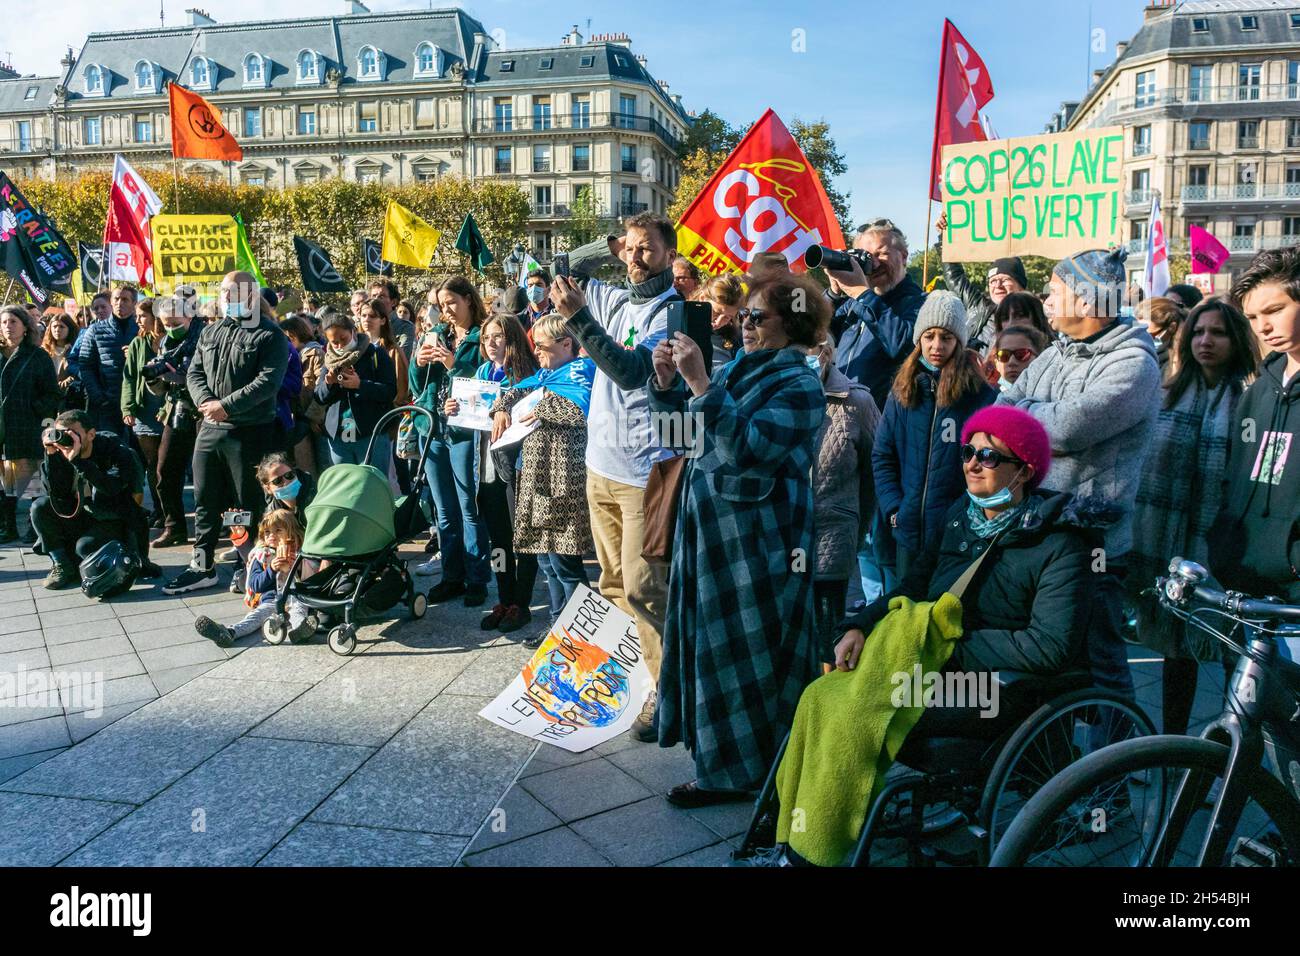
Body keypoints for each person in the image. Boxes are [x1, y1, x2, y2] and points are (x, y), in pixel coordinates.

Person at [762, 409, 1096, 867]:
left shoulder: (1061, 544)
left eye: (987, 456)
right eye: (967, 452)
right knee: (821, 694)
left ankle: (815, 850)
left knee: (859, 709)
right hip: (928, 658)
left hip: (998, 684)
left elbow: (1050, 646)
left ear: (1024, 471)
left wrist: (948, 641)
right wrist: (858, 625)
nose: (971, 464)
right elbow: (912, 585)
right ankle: (799, 824)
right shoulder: (961, 514)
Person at [648, 271, 826, 804]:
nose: (744, 325)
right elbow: (681, 437)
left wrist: (701, 386)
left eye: (757, 318)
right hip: (713, 539)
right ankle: (721, 766)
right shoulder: (742, 371)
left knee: (749, 656)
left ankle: (752, 773)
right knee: (711, 650)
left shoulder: (801, 384)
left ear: (791, 325)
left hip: (762, 548)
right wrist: (663, 386)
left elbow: (749, 447)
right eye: (743, 316)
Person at [998, 247, 1161, 701]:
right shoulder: (1057, 353)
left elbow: (1069, 428)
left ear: (1088, 303)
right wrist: (1029, 416)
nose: (1045, 301)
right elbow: (997, 415)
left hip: (1094, 546)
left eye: (1054, 292)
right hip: (1039, 532)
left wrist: (1023, 415)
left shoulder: (1133, 363)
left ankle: (1118, 768)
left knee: (1101, 664)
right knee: (1050, 669)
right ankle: (1061, 765)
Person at [548, 211, 683, 740]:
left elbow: (631, 372)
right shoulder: (612, 294)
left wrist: (581, 321)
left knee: (646, 589)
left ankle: (669, 697)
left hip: (646, 473)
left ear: (671, 256)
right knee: (611, 585)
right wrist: (610, 243)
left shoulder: (671, 312)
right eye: (627, 248)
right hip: (599, 465)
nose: (634, 257)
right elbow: (563, 267)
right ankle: (635, 676)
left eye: (647, 248)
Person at [1130, 299, 1258, 734]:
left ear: (1236, 340)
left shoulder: (1253, 399)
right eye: (1199, 331)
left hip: (1227, 547)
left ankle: (1230, 755)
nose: (1206, 340)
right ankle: (1172, 748)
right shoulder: (1165, 393)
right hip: (1168, 546)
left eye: (1218, 333)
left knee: (1231, 654)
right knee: (1174, 651)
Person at [164, 271, 289, 595]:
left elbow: (268, 382)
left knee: (242, 506)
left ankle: (244, 564)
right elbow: (195, 372)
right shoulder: (211, 331)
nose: (224, 297)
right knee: (205, 500)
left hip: (247, 432)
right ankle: (202, 565)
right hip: (209, 430)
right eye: (222, 292)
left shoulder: (270, 335)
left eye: (231, 292)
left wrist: (227, 406)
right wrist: (206, 401)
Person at [872, 291, 996, 583]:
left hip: (957, 537)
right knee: (904, 613)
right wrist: (894, 508)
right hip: (908, 532)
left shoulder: (980, 396)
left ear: (959, 341)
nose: (936, 346)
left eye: (946, 337)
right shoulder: (903, 391)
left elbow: (991, 466)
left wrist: (969, 517)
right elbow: (882, 454)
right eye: (929, 336)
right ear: (919, 340)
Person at [490, 314, 596, 648]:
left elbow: (581, 410)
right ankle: (558, 625)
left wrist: (543, 408)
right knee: (547, 560)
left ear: (567, 345)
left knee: (566, 563)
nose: (537, 352)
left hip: (563, 480)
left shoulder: (581, 372)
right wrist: (502, 409)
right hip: (536, 477)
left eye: (543, 347)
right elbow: (513, 392)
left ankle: (581, 632)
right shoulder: (546, 374)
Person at [1210, 247, 1300, 607]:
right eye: (1252, 316)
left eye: (1275, 310)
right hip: (1245, 583)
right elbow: (1238, 480)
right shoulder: (1259, 389)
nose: (1263, 326)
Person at [445, 311, 539, 634]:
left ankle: (521, 603)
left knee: (522, 539)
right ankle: (504, 597)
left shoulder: (527, 373)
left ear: (512, 338)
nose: (490, 342)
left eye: (497, 336)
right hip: (485, 466)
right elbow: (471, 413)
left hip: (517, 467)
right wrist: (453, 408)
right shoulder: (484, 371)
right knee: (498, 540)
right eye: (486, 337)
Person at [409, 276, 492, 606]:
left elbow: (486, 383)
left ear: (469, 300)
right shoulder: (436, 334)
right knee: (444, 512)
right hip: (432, 427)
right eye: (442, 306)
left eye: (452, 303)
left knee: (469, 508)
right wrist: (418, 361)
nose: (447, 311)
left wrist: (453, 364)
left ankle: (477, 579)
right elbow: (418, 385)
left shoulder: (481, 336)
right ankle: (451, 575)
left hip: (464, 431)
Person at [809, 334, 880, 651]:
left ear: (824, 352)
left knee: (828, 646)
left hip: (831, 551)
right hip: (779, 549)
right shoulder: (774, 395)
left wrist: (853, 528)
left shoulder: (857, 403)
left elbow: (873, 476)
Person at [30, 409, 145, 589]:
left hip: (112, 517)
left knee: (84, 547)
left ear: (91, 434)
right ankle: (62, 565)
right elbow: (56, 493)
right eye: (61, 434)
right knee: (39, 506)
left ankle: (88, 559)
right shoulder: (60, 452)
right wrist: (51, 455)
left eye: (73, 434)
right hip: (80, 515)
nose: (67, 440)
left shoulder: (114, 449)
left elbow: (112, 488)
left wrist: (78, 461)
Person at [827, 220, 926, 410]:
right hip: (842, 417)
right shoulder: (852, 303)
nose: (874, 263)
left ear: (904, 257)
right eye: (866, 256)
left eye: (882, 254)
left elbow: (901, 344)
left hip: (882, 419)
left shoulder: (921, 302)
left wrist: (862, 294)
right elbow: (812, 333)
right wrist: (834, 293)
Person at [194, 509, 311, 648]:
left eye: (278, 530)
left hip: (296, 598)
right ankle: (229, 632)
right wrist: (271, 570)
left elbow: (308, 579)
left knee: (299, 611)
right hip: (272, 600)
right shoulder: (261, 556)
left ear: (292, 533)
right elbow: (255, 585)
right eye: (267, 532)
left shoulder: (300, 554)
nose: (272, 535)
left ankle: (300, 631)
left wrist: (296, 568)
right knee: (255, 617)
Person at [146, 295, 203, 548]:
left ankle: (211, 528)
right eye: (166, 323)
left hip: (203, 412)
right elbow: (159, 390)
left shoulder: (206, 337)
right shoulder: (165, 344)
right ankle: (174, 527)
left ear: (189, 317)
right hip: (176, 410)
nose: (170, 328)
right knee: (165, 470)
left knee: (206, 475)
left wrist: (182, 379)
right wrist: (154, 378)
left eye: (175, 322)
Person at [0, 305, 58, 543]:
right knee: (4, 482)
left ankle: (34, 528)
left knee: (32, 480)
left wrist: (34, 409)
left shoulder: (37, 356)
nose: (7, 327)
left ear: (25, 326)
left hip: (27, 425)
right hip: (2, 429)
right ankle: (8, 526)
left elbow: (51, 394)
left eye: (13, 321)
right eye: (3, 322)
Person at [935, 211, 1028, 349]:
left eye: (1004, 279)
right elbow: (954, 276)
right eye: (992, 281)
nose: (997, 285)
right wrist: (946, 237)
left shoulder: (1035, 318)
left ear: (1021, 285)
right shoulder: (978, 306)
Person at [316, 312, 396, 467]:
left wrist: (360, 385)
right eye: (334, 342)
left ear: (352, 331)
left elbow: (390, 391)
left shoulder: (375, 353)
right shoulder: (329, 360)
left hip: (371, 433)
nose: (339, 346)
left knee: (372, 484)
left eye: (343, 339)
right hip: (339, 437)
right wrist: (329, 384)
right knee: (345, 486)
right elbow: (319, 397)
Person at [120, 299, 166, 529]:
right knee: (152, 464)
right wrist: (127, 408)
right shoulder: (137, 343)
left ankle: (171, 511)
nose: (138, 320)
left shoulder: (172, 340)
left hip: (169, 411)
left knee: (167, 466)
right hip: (145, 413)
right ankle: (159, 509)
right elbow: (129, 377)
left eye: (142, 315)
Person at [77, 284, 138, 434]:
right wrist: (98, 396)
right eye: (116, 299)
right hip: (107, 403)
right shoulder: (95, 330)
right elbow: (85, 366)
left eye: (125, 299)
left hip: (136, 402)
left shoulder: (141, 329)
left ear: (134, 303)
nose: (120, 303)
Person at [279, 316, 324, 475]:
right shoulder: (290, 356)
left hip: (316, 420)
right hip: (299, 419)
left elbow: (323, 389)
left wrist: (313, 417)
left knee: (323, 466)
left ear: (292, 335)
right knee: (305, 467)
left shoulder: (316, 353)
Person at [1135, 296, 1185, 380]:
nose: (1143, 338)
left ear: (1172, 328)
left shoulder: (1177, 363)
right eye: (1138, 332)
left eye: (1150, 334)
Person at [699, 273, 744, 364]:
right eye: (716, 312)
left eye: (728, 317)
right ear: (702, 298)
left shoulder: (737, 337)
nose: (718, 322)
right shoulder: (681, 324)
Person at [41, 313, 81, 412]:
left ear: (69, 328)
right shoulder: (43, 350)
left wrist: (63, 384)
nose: (57, 330)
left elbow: (77, 373)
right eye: (54, 326)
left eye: (62, 327)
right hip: (48, 398)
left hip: (69, 398)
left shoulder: (75, 350)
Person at [990, 324, 1050, 390]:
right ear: (996, 362)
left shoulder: (1053, 393)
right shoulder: (990, 398)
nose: (1011, 362)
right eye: (1004, 355)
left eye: (1021, 354)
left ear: (1040, 357)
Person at [367, 278, 415, 357]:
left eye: (381, 297)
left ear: (393, 302)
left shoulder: (405, 327)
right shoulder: (364, 324)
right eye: (373, 296)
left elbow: (400, 358)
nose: (375, 301)